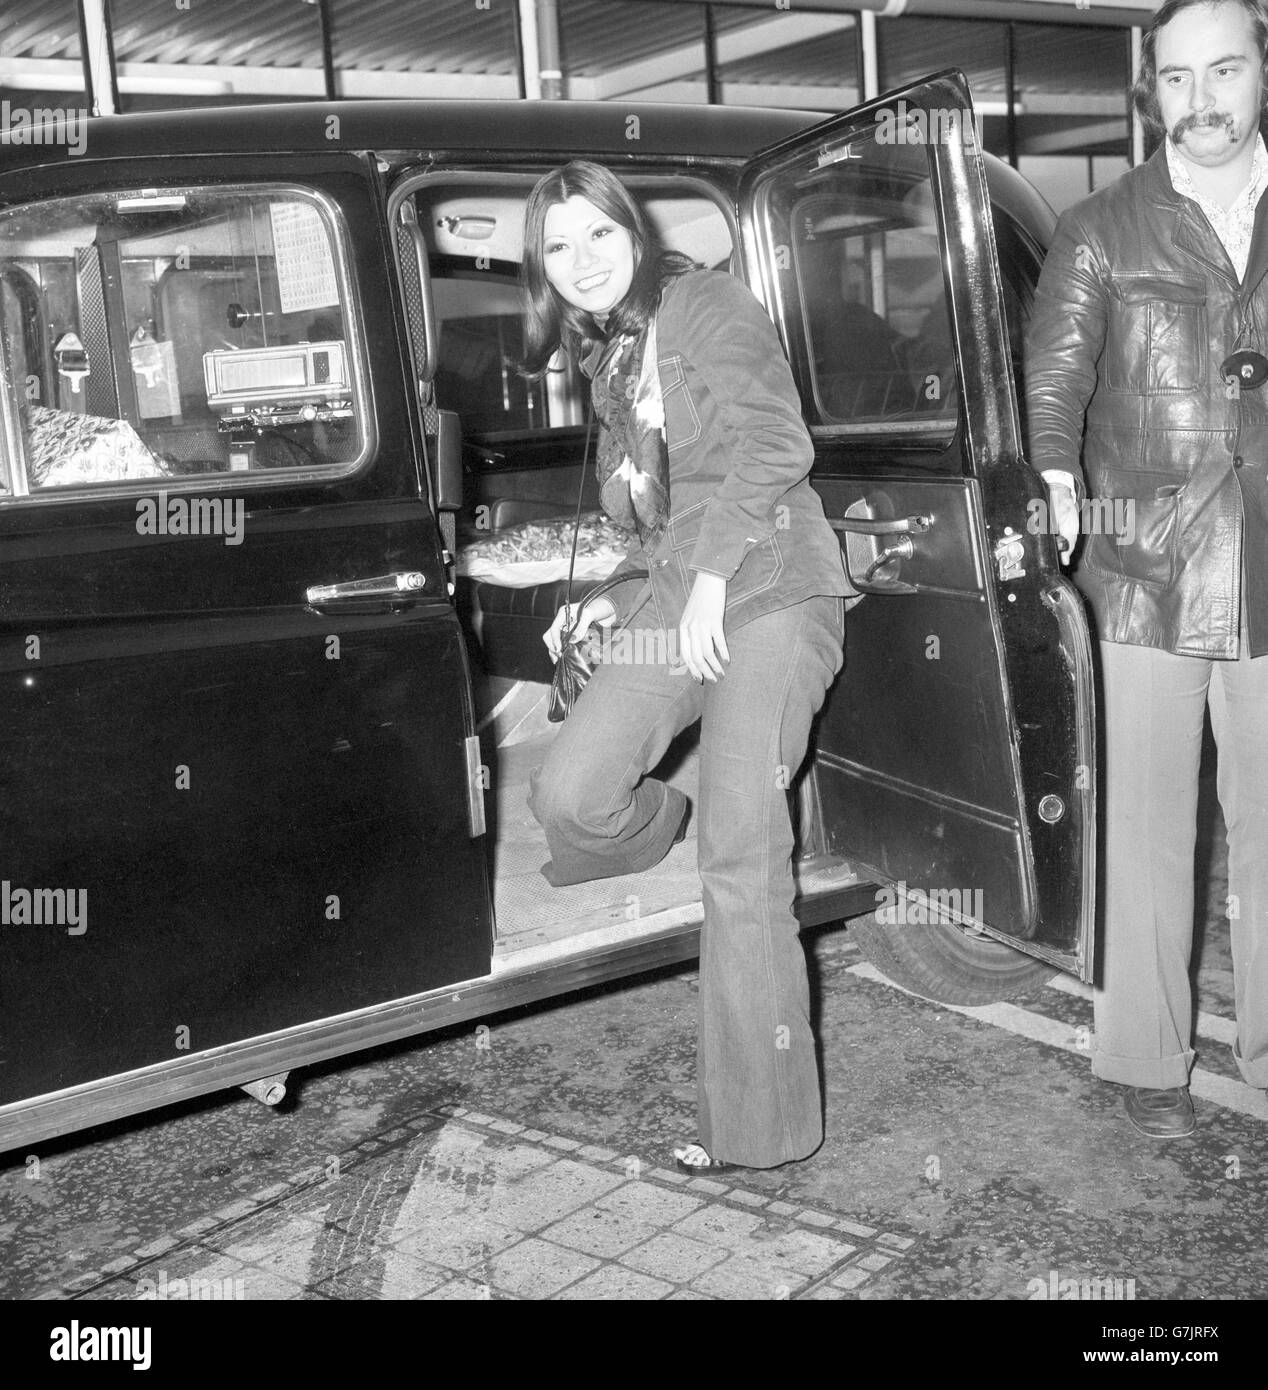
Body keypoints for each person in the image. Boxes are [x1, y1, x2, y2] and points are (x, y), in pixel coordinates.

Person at [520, 160, 855, 1171]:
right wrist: (599, 603)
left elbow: (772, 444)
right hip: (680, 597)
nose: (580, 261)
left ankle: (758, 1129)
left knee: (743, 865)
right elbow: (645, 520)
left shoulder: (704, 303)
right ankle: (670, 816)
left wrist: (708, 578)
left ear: (630, 230)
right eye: (555, 247)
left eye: (596, 235)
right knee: (568, 793)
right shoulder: (611, 356)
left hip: (769, 587)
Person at [1025, 0, 1268, 1139]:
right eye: (1175, 78)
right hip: (1140, 569)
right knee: (1144, 829)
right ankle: (1140, 1062)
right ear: (1149, 92)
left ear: (1261, 71)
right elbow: (1053, 390)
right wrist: (1055, 484)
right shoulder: (1096, 226)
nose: (1201, 98)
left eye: (1223, 69)